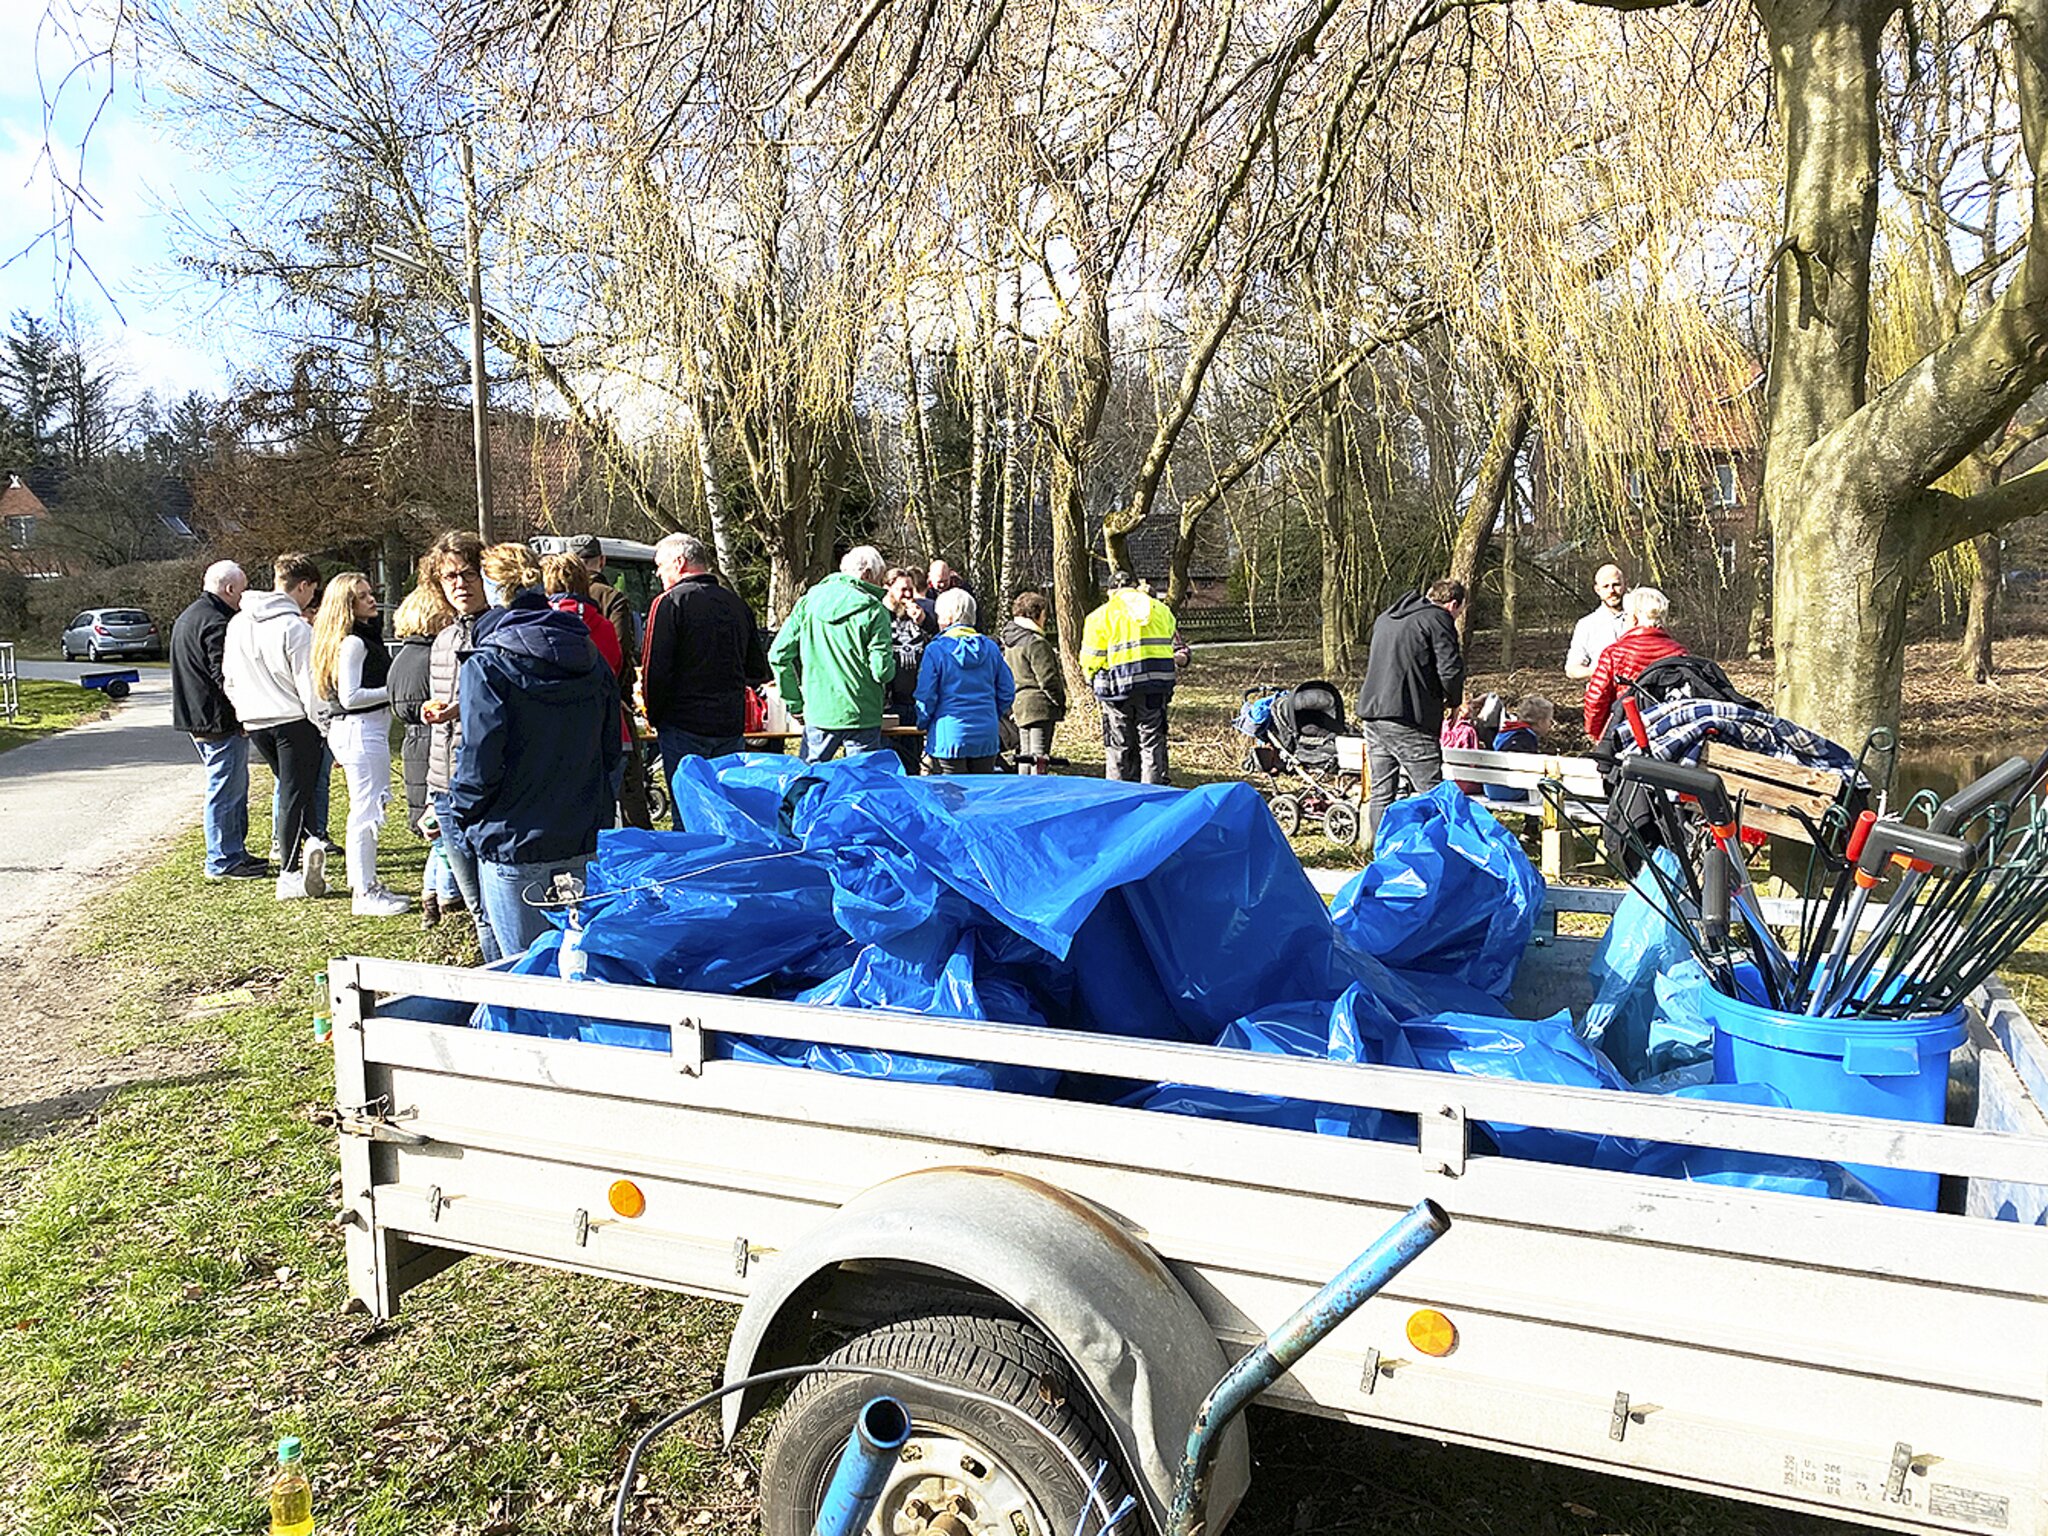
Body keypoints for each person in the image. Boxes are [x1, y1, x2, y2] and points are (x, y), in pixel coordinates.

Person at [446, 577, 622, 959]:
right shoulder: (592, 659)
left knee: (524, 971)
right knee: (581, 962)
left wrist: (462, 812)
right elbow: (612, 752)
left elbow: (480, 758)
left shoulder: (486, 665)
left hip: (514, 838)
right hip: (578, 833)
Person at [223, 551, 329, 899]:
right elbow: (309, 684)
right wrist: (324, 724)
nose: (312, 598)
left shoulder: (238, 622)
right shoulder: (294, 627)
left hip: (255, 720)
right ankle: (289, 873)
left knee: (295, 787)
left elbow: (229, 679)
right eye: (312, 591)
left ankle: (313, 846)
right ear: (303, 587)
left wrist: (243, 710)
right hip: (293, 719)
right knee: (295, 793)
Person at [310, 571, 409, 917]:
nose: (372, 600)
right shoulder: (352, 643)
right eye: (363, 596)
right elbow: (350, 697)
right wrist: (394, 692)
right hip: (360, 729)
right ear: (347, 606)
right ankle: (364, 891)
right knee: (366, 813)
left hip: (362, 730)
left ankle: (367, 885)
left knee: (367, 810)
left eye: (370, 593)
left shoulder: (356, 639)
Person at [639, 532, 770, 792]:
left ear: (679, 563)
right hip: (729, 722)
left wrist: (653, 715)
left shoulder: (669, 603)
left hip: (683, 723)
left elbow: (655, 669)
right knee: (725, 805)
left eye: (659, 566)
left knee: (688, 809)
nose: (658, 574)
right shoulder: (736, 604)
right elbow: (756, 669)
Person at [421, 531, 498, 961]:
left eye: (467, 573)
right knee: (474, 905)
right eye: (448, 576)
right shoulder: (443, 640)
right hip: (445, 785)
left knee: (499, 904)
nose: (458, 584)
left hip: (489, 788)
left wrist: (462, 712)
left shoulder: (501, 631)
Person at [170, 560, 269, 881]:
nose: (244, 597)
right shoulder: (217, 622)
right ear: (229, 589)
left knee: (230, 787)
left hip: (198, 717)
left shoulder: (190, 616)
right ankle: (223, 859)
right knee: (226, 789)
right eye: (242, 590)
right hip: (218, 720)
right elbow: (224, 675)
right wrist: (243, 712)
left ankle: (233, 851)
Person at [1355, 577, 1466, 846]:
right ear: (1453, 605)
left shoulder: (1387, 617)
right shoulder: (1438, 620)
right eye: (1460, 611)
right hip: (1409, 717)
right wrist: (1453, 701)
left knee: (1382, 791)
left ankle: (1383, 852)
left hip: (1373, 713)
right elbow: (1449, 669)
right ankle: (1439, 851)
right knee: (1431, 790)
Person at [768, 545, 896, 763]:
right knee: (861, 785)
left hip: (819, 712)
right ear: (866, 575)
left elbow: (778, 655)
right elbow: (882, 671)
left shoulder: (808, 602)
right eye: (879, 578)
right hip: (862, 713)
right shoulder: (875, 610)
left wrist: (795, 703)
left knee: (809, 781)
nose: (880, 584)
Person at [387, 578, 463, 928]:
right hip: (432, 744)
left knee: (436, 836)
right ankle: (447, 904)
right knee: (445, 841)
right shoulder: (431, 658)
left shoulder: (403, 657)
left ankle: (430, 897)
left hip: (414, 745)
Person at [569, 532, 653, 830]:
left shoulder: (552, 604)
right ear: (601, 561)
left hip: (572, 709)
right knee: (629, 785)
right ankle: (642, 850)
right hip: (614, 705)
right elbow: (620, 649)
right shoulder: (612, 598)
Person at [1079, 570, 1180, 785]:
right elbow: (1171, 643)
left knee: (1118, 745)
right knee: (1151, 743)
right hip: (1156, 686)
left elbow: (1090, 659)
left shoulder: (1100, 616)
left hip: (1117, 690)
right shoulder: (1161, 611)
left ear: (1111, 591)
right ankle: (1152, 796)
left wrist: (1091, 679)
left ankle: (1117, 795)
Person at [914, 589, 1014, 774]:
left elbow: (926, 694)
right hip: (986, 734)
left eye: (939, 615)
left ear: (949, 617)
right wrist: (992, 713)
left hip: (948, 735)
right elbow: (1007, 690)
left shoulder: (936, 650)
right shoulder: (991, 649)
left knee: (951, 796)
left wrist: (923, 722)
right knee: (981, 795)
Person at [1583, 585, 1688, 741]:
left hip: (1624, 731)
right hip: (1667, 734)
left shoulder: (1614, 653)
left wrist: (1595, 734)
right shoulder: (1680, 653)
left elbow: (1596, 699)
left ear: (1633, 618)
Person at [1000, 591, 1065, 774]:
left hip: (1019, 705)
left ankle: (1024, 794)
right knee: (1039, 758)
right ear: (1036, 614)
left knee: (1025, 757)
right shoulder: (1036, 643)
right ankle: (1038, 795)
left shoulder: (1011, 642)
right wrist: (1059, 702)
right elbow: (1048, 678)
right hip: (1039, 707)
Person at [883, 566, 935, 773]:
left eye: (910, 589)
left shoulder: (919, 613)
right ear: (887, 587)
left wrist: (923, 621)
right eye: (902, 589)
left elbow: (937, 640)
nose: (907, 594)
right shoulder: (880, 616)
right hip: (889, 703)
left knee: (912, 764)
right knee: (890, 764)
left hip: (915, 701)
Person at [1564, 563, 1630, 680]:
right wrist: (1599, 671)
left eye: (1616, 585)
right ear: (1597, 590)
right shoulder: (1587, 625)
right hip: (1601, 694)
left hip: (1638, 694)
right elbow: (1572, 669)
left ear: (1625, 584)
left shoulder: (1641, 619)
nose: (1611, 590)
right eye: (1606, 586)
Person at [1491, 693, 1555, 806]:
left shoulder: (1506, 732)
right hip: (1509, 789)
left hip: (1492, 787)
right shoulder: (1526, 738)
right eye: (1550, 720)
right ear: (1540, 722)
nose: (1551, 724)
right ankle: (1532, 823)